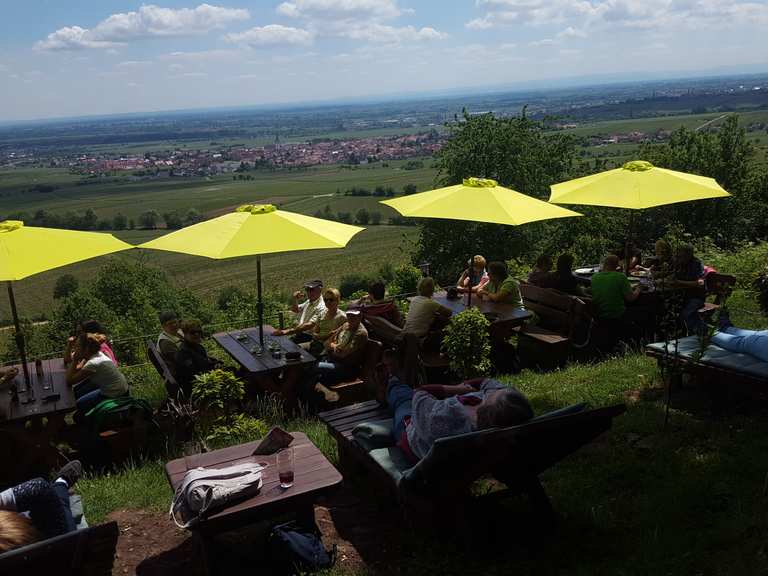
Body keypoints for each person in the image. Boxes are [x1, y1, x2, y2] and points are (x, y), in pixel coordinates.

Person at [376, 350, 533, 461]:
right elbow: (487, 383)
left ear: (483, 410)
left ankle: (390, 382)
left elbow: (419, 393)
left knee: (402, 398)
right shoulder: (502, 417)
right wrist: (464, 388)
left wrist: (457, 389)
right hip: (433, 417)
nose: (488, 393)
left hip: (411, 433)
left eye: (489, 396)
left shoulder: (445, 420)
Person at [0, 460, 83, 552]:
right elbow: (40, 487)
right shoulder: (68, 546)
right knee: (60, 505)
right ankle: (61, 482)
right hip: (57, 543)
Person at [66, 333, 130, 413]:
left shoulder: (93, 363)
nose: (75, 349)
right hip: (120, 388)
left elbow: (69, 381)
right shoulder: (96, 354)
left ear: (86, 349)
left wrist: (75, 360)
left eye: (77, 347)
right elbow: (77, 369)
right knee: (79, 396)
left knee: (80, 404)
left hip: (115, 393)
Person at [316, 310, 369, 387]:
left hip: (346, 368)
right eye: (348, 315)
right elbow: (327, 342)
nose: (351, 318)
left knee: (316, 367)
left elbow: (342, 354)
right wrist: (335, 347)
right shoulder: (345, 325)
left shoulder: (360, 333)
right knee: (312, 365)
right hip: (333, 360)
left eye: (354, 315)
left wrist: (332, 347)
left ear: (360, 316)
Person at [174, 320, 221, 397]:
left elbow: (204, 363)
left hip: (205, 381)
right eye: (192, 332)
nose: (197, 334)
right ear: (185, 334)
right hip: (197, 389)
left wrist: (215, 364)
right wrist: (215, 372)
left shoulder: (198, 347)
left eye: (199, 332)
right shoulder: (183, 353)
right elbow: (194, 375)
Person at [589, 254, 641, 321]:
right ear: (617, 265)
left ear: (604, 264)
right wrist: (639, 288)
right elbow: (631, 298)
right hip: (617, 315)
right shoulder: (620, 277)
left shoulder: (594, 277)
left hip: (598, 316)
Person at [672, 244, 706, 334]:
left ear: (689, 255)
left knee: (686, 314)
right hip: (681, 295)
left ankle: (701, 334)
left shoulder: (696, 264)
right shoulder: (680, 263)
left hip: (695, 296)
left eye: (680, 256)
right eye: (677, 256)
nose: (678, 258)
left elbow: (700, 284)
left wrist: (679, 282)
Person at [309, 288, 347, 355]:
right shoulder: (322, 313)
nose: (328, 302)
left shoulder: (342, 317)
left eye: (331, 299)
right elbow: (314, 333)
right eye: (325, 300)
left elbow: (341, 337)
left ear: (338, 300)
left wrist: (320, 337)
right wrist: (325, 336)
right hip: (316, 343)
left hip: (328, 347)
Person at [156, 310, 182, 374]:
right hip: (179, 373)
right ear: (163, 326)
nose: (174, 325)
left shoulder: (178, 332)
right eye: (170, 324)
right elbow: (180, 360)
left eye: (175, 322)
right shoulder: (165, 342)